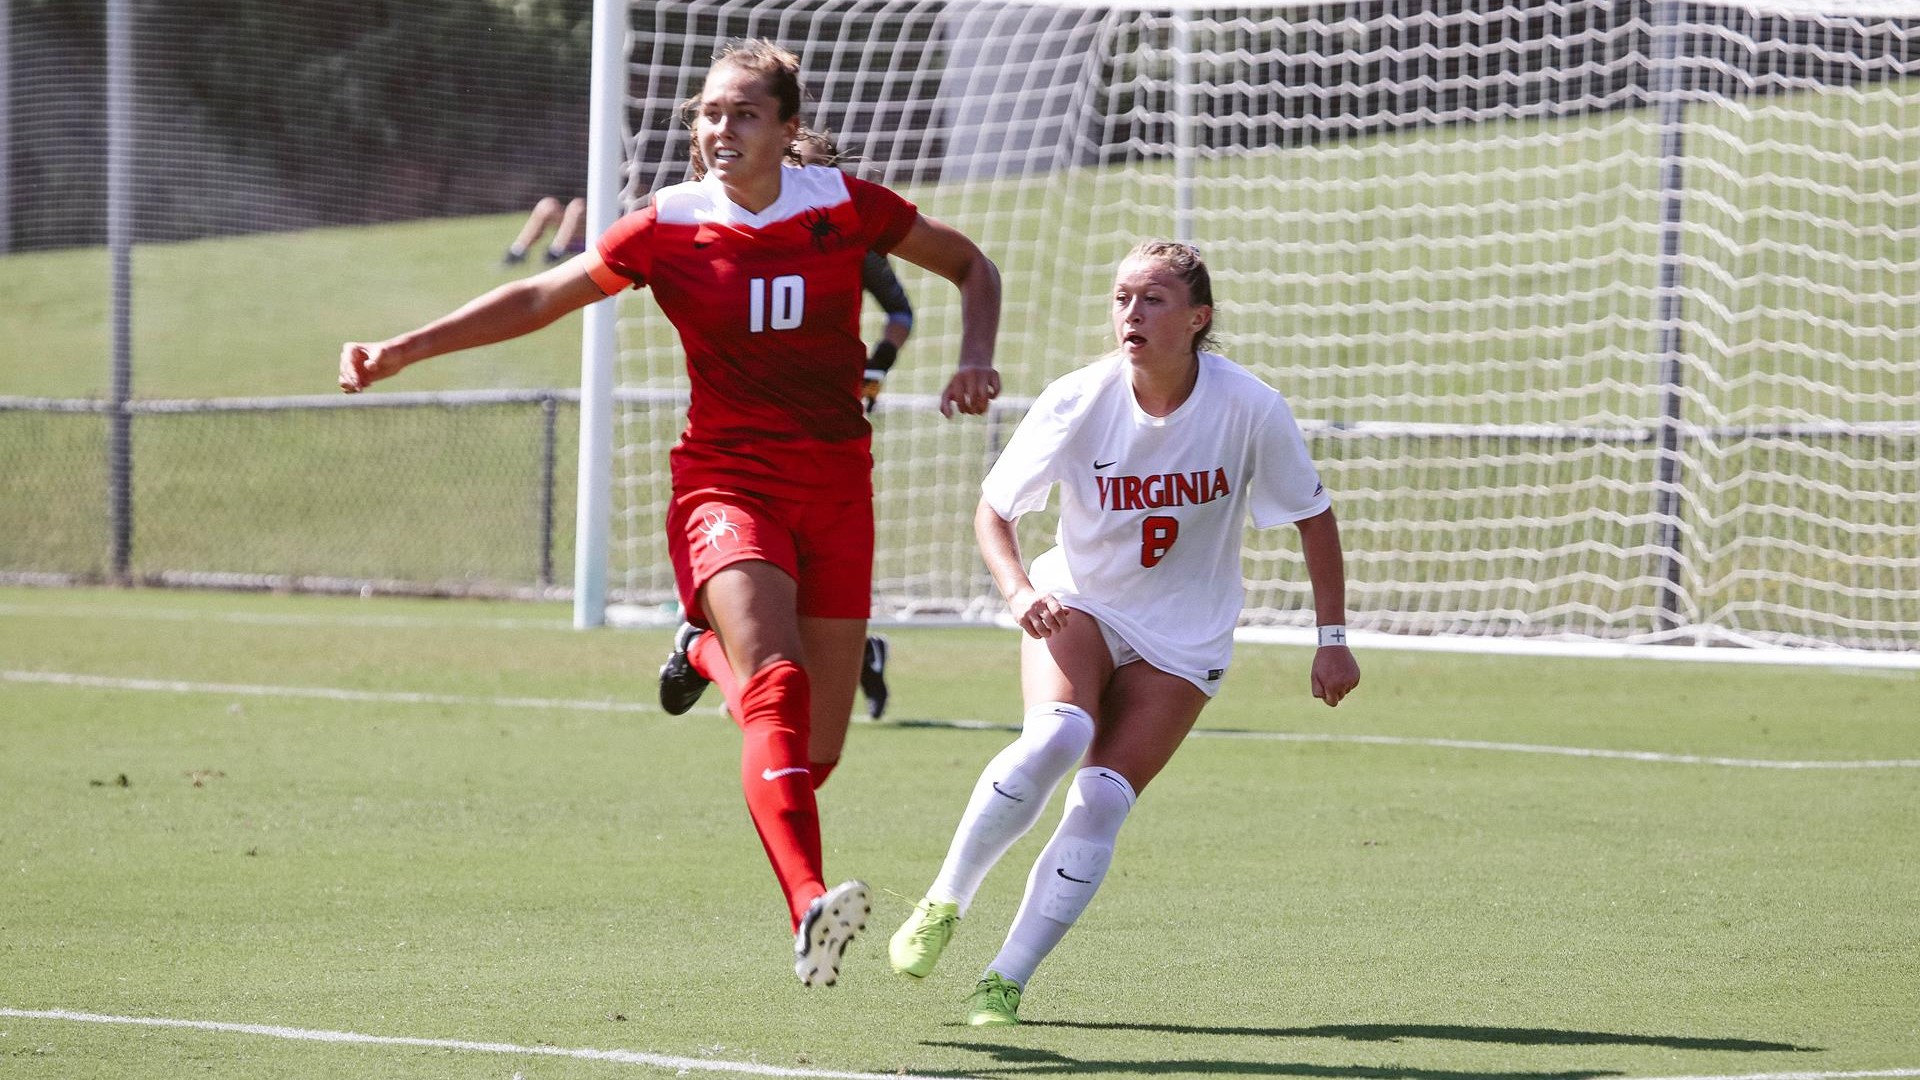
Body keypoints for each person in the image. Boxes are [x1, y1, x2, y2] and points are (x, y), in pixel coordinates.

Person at [339, 39, 1003, 987]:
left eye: (740, 113)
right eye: (707, 113)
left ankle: (696, 652)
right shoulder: (668, 225)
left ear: (784, 127)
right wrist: (405, 349)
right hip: (726, 485)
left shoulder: (846, 208)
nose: (717, 128)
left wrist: (975, 355)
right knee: (773, 683)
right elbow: (539, 294)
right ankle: (809, 906)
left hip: (837, 485)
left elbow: (972, 266)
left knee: (811, 758)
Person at [885, 240, 1359, 1025]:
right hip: (1081, 602)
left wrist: (1332, 637)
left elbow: (1313, 516)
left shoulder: (1250, 406)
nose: (1131, 313)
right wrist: (1018, 590)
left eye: (1153, 299)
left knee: (1101, 800)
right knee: (1057, 738)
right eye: (1121, 298)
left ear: (1197, 318)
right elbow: (994, 511)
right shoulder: (1079, 398)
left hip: (1185, 637)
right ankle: (943, 902)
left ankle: (1004, 978)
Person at [660, 130, 915, 726]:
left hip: (826, 428)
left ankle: (734, 651)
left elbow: (901, 310)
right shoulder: (729, 228)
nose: (815, 183)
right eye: (803, 165)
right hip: (741, 435)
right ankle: (707, 639)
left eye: (822, 170)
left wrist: (874, 373)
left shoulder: (848, 231)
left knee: (805, 590)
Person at [502, 195, 586, 265]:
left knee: (577, 206)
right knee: (546, 205)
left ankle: (556, 252)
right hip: (572, 217)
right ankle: (517, 252)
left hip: (592, 228)